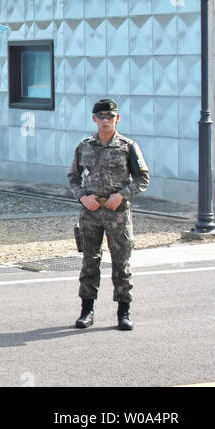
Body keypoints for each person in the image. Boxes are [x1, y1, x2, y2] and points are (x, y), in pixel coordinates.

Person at [67, 98, 149, 331]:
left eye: (110, 117)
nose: (105, 121)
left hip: (117, 214)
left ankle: (124, 312)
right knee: (89, 263)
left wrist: (122, 195)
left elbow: (143, 178)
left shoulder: (127, 146)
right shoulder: (84, 146)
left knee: (121, 264)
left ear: (117, 119)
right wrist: (83, 196)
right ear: (94, 119)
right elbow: (73, 177)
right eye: (101, 116)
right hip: (90, 213)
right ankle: (87, 311)